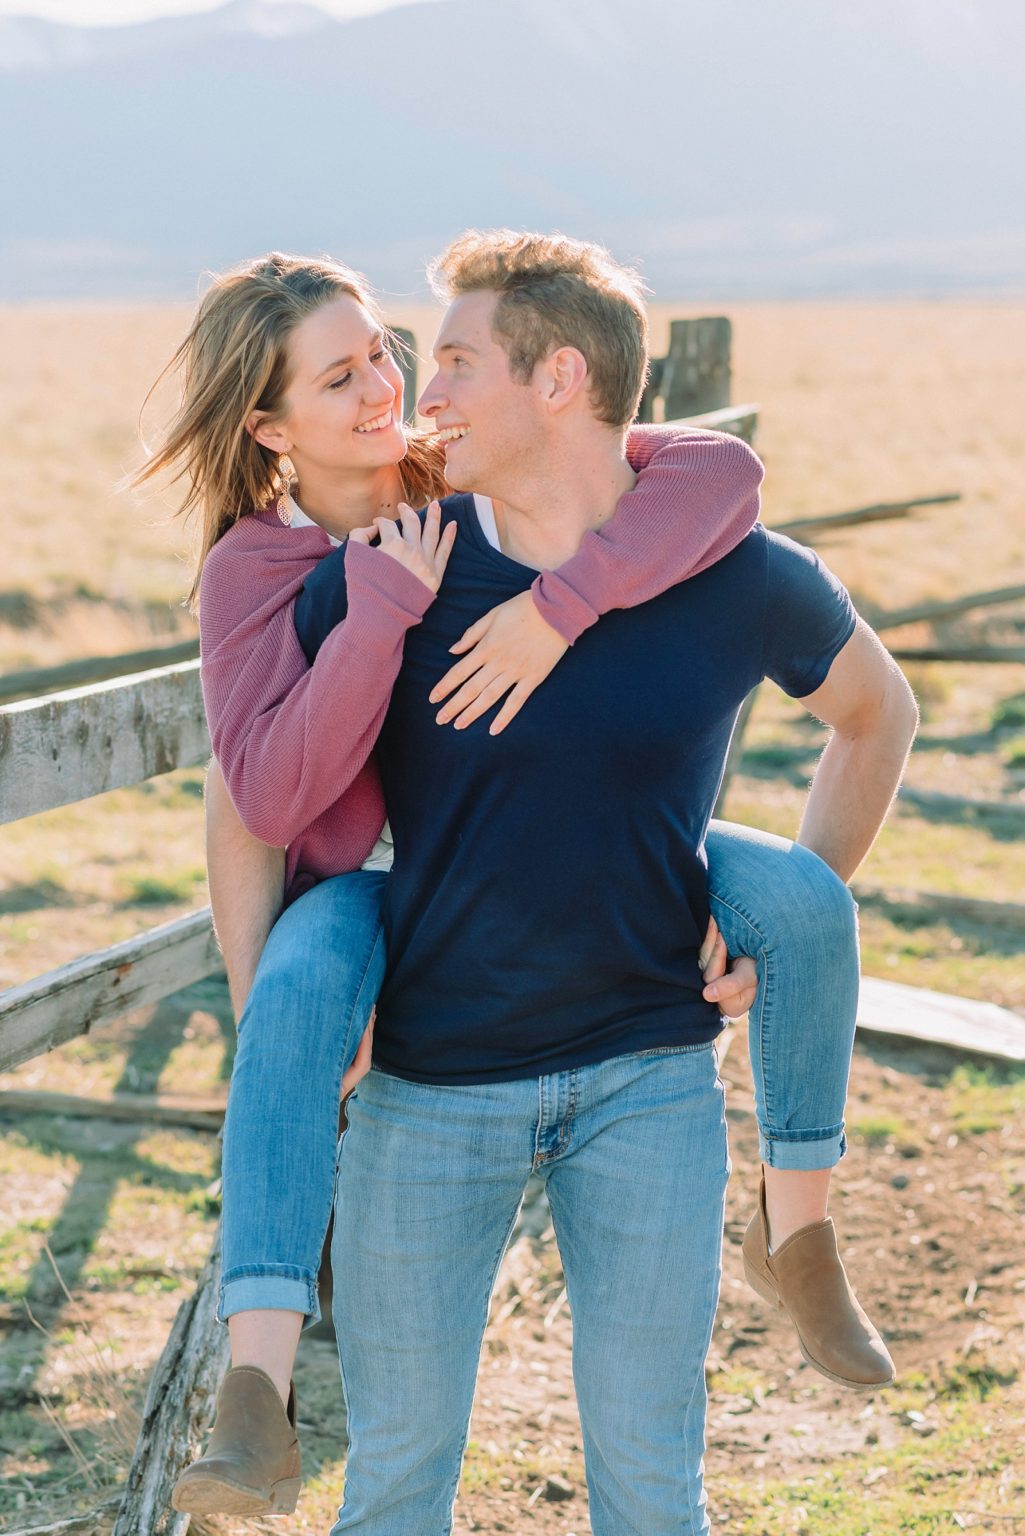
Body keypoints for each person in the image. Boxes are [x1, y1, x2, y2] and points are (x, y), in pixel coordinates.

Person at [135, 248, 900, 1524]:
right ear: (269, 427)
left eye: (400, 355)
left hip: (629, 1016)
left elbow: (716, 474)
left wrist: (563, 605)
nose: (399, 389)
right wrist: (282, 1025)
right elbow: (250, 799)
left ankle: (800, 1226)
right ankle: (253, 1386)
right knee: (298, 991)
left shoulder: (480, 490)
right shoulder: (299, 569)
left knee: (801, 904)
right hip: (390, 946)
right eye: (347, 375)